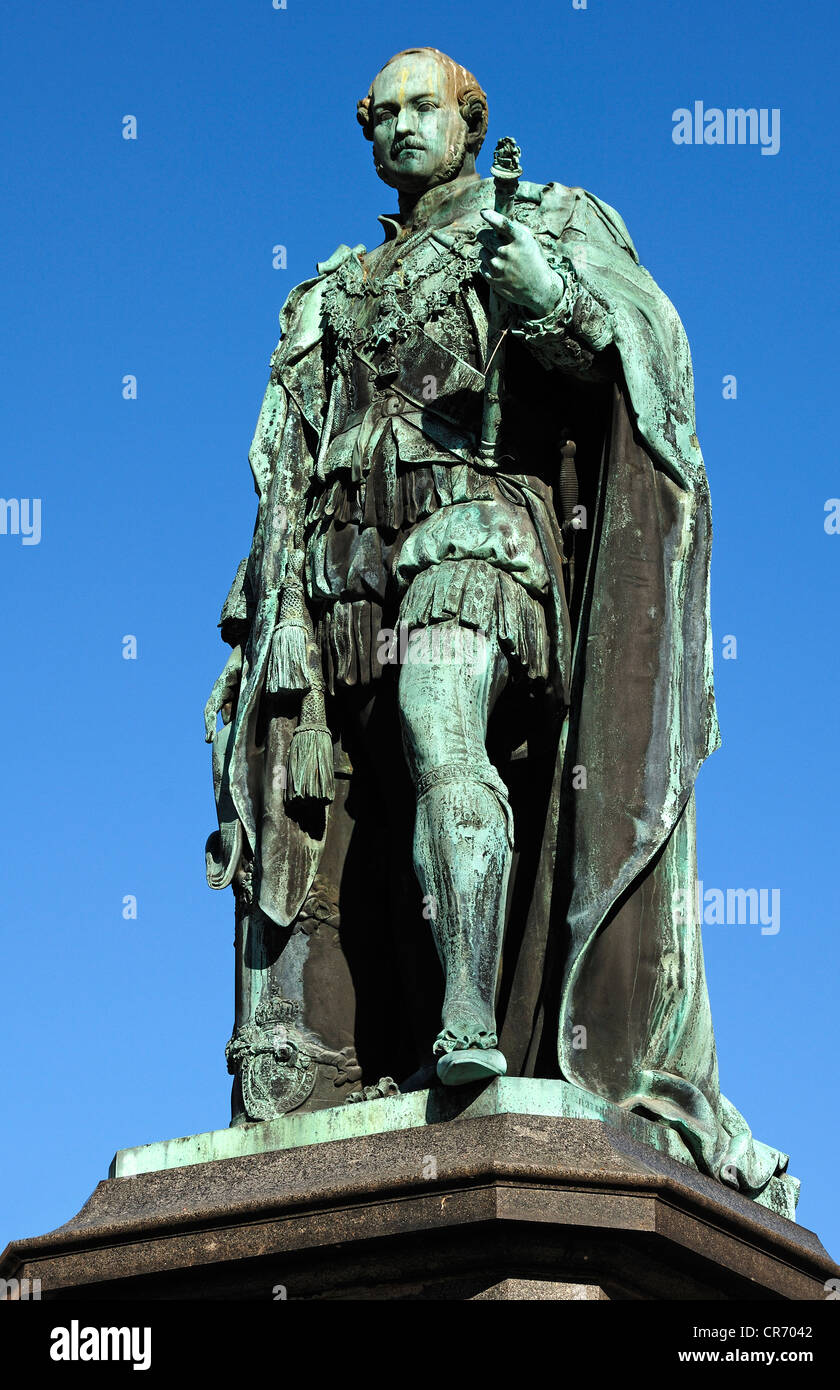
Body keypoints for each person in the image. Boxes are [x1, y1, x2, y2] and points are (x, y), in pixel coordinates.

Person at [204, 46, 788, 1198]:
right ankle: (338, 1058)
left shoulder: (541, 219)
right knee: (331, 819)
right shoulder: (325, 293)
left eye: (426, 107)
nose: (402, 127)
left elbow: (628, 355)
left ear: (470, 121)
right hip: (337, 567)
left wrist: (553, 301)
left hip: (476, 527)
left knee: (439, 723)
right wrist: (274, 620)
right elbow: (286, 472)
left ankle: (470, 1011)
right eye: (383, 113)